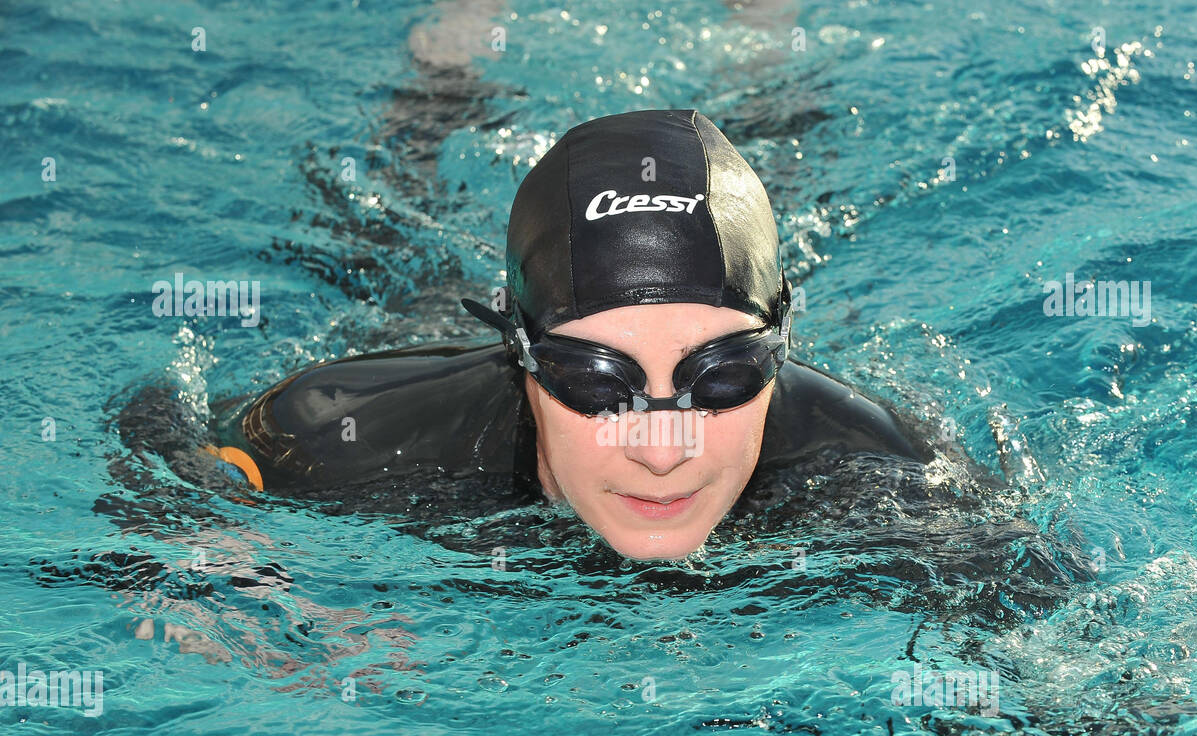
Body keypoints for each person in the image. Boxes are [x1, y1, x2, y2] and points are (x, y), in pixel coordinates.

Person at [204, 109, 938, 560]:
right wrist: (223, 584)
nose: (662, 451)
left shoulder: (871, 463)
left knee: (785, 120)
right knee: (393, 217)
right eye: (594, 381)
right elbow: (162, 456)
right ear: (519, 352)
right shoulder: (341, 436)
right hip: (411, 324)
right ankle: (447, 55)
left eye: (722, 377)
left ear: (781, 345)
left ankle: (769, 45)